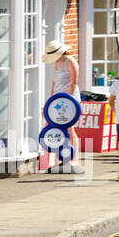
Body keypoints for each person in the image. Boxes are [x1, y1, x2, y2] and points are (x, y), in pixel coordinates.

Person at [42, 40, 83, 170]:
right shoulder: (56, 63)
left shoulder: (70, 61)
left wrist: (68, 99)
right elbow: (54, 82)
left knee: (70, 128)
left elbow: (74, 82)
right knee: (58, 129)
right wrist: (51, 98)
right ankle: (60, 159)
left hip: (69, 100)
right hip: (57, 100)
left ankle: (74, 159)